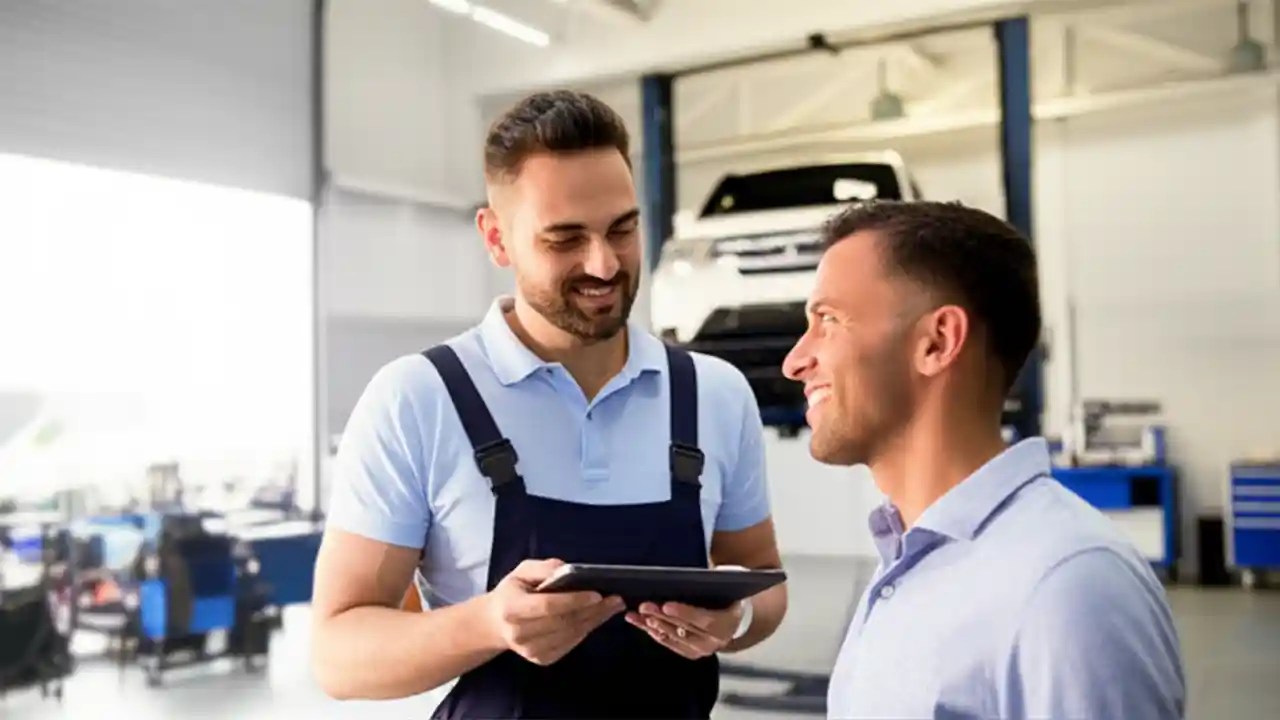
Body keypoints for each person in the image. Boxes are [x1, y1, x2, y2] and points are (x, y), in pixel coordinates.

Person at [310, 90, 788, 719]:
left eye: (623, 229)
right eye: (565, 239)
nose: (604, 263)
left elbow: (762, 583)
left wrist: (735, 619)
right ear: (496, 238)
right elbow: (337, 655)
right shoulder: (417, 400)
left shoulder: (714, 396)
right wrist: (488, 624)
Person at [781, 201, 1185, 719]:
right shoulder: (909, 561)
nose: (795, 361)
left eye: (829, 320)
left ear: (937, 342)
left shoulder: (1068, 587)